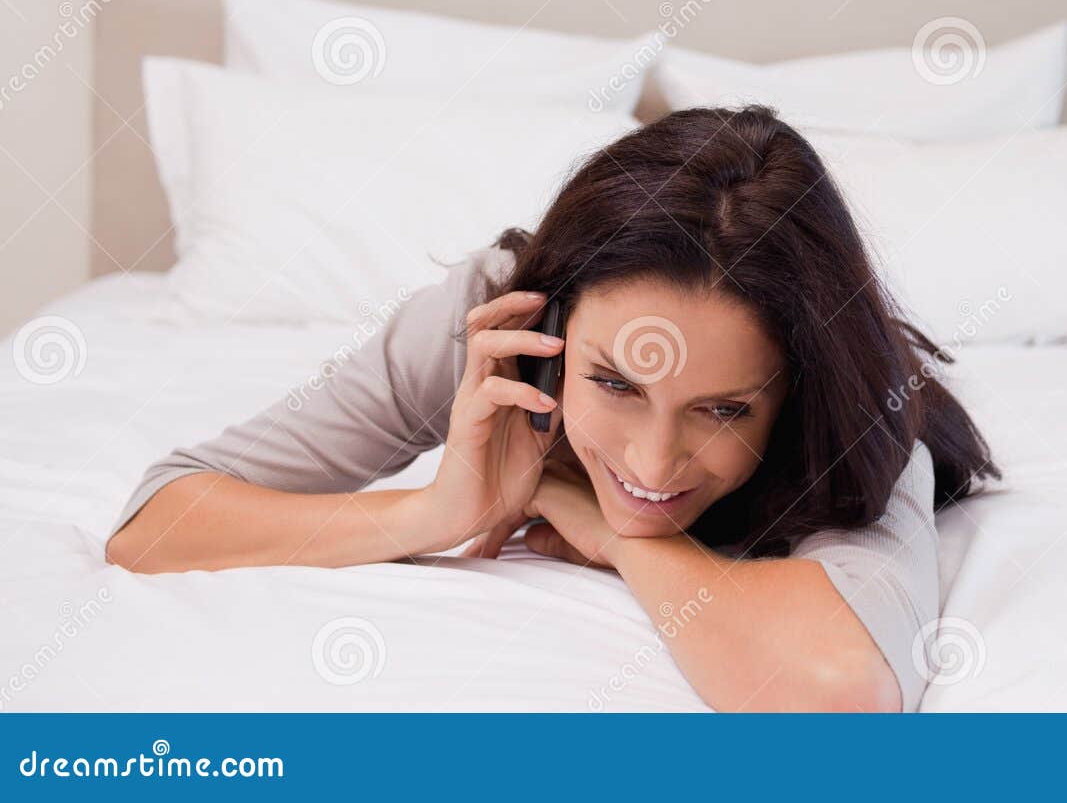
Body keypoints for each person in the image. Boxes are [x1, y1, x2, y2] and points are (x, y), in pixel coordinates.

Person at [105, 105, 1000, 712]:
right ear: (561, 327)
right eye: (615, 383)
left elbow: (838, 691)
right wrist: (433, 511)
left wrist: (608, 527)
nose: (652, 467)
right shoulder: (501, 324)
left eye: (722, 410)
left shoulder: (861, 418)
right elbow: (153, 525)